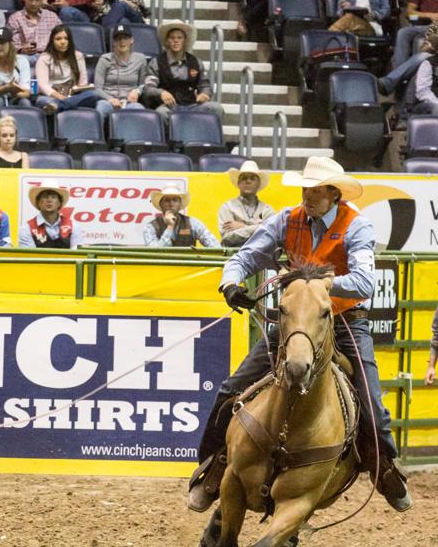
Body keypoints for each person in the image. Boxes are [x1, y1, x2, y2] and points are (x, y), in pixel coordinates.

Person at [189, 156, 412, 514]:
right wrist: (230, 283)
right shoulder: (288, 219)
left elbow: (365, 282)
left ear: (333, 194)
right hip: (294, 325)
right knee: (232, 389)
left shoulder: (357, 226)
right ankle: (213, 469)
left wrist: (314, 284)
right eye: (305, 189)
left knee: (371, 404)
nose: (307, 196)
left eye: (315, 190)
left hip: (343, 322)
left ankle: (383, 467)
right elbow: (244, 258)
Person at [143, 20, 225, 125]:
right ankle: (171, 141)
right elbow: (148, 88)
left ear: (184, 41)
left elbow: (205, 85)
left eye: (179, 38)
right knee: (161, 113)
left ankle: (213, 141)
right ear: (167, 41)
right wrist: (161, 93)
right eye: (172, 38)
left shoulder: (195, 61)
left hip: (192, 104)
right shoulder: (156, 62)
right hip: (169, 106)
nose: (176, 41)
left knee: (216, 108)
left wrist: (205, 94)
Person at [34, 24, 98, 113]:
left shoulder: (78, 56)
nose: (63, 42)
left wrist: (76, 92)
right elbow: (43, 85)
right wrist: (59, 97)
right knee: (43, 102)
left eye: (66, 38)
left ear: (70, 41)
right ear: (52, 41)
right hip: (49, 97)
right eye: (58, 39)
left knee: (93, 94)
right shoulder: (44, 58)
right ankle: (61, 105)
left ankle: (58, 105)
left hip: (72, 96)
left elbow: (82, 82)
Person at [93, 23, 149, 118]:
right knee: (100, 108)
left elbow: (143, 85)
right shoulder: (105, 59)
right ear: (114, 42)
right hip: (108, 101)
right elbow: (97, 88)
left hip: (130, 102)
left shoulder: (141, 59)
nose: (122, 42)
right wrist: (110, 99)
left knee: (140, 111)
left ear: (131, 40)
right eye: (118, 39)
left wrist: (137, 91)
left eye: (125, 38)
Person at [217, 160, 275, 247]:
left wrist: (243, 226)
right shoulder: (227, 207)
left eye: (252, 178)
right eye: (244, 178)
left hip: (260, 256)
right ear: (238, 183)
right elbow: (228, 238)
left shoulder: (267, 210)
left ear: (258, 183)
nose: (248, 181)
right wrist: (259, 227)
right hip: (234, 256)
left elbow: (271, 233)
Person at [142, 185, 220, 247]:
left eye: (175, 200)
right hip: (162, 267)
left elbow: (215, 246)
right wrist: (170, 227)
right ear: (161, 204)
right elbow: (156, 253)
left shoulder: (193, 223)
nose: (171, 204)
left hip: (189, 266)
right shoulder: (150, 227)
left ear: (180, 204)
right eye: (167, 200)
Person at [0, 29, 33, 118]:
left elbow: (26, 92)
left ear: (11, 44)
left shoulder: (22, 61)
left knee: (25, 102)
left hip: (13, 98)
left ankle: (26, 131)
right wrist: (8, 87)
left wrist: (16, 92)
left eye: (2, 43)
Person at [8, 0, 62, 70]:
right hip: (26, 57)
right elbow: (9, 44)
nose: (33, 3)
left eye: (37, 0)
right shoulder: (15, 18)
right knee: (18, 61)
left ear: (42, 0)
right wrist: (21, 49)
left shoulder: (52, 17)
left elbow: (62, 38)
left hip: (49, 57)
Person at [18, 181, 73, 248]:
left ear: (59, 203)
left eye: (53, 197)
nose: (49, 200)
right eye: (45, 196)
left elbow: (77, 255)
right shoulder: (26, 229)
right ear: (38, 202)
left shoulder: (73, 227)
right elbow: (30, 256)